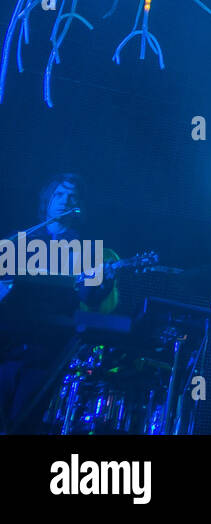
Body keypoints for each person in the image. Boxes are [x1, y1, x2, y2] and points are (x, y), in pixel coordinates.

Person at [0, 174, 119, 432]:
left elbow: (90, 300)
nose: (65, 200)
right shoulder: (19, 240)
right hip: (6, 345)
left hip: (46, 350)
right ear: (48, 200)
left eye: (72, 196)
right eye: (59, 194)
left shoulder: (85, 250)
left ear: (80, 206)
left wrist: (103, 281)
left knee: (23, 423)